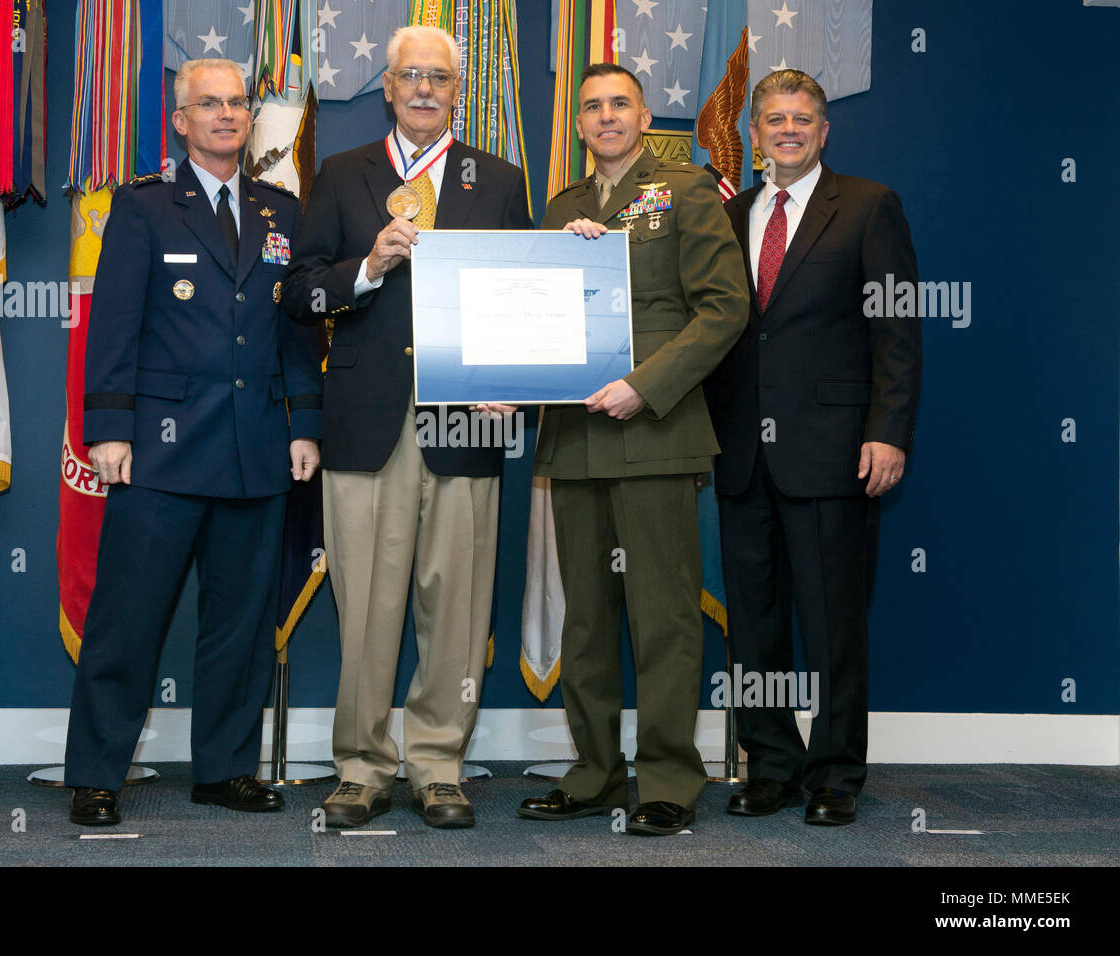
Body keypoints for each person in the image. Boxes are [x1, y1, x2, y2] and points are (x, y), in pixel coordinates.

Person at [281, 25, 530, 829]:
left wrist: (515, 380)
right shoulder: (343, 175)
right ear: (386, 87)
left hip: (467, 425)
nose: (425, 89)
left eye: (441, 78)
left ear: (460, 90)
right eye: (409, 76)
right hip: (365, 426)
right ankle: (360, 765)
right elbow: (299, 294)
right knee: (368, 608)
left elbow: (523, 298)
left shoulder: (498, 179)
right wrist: (367, 270)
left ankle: (438, 764)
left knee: (455, 608)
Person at [63, 58, 323, 826]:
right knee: (127, 619)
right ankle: (99, 774)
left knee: (242, 625)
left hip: (256, 448)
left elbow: (296, 335)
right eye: (207, 103)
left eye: (236, 102)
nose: (226, 114)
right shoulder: (143, 207)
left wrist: (303, 422)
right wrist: (107, 430)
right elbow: (111, 325)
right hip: (161, 450)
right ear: (180, 120)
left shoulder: (282, 212)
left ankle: (225, 769)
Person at [516, 63, 749, 835]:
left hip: (654, 430)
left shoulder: (686, 190)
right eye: (591, 107)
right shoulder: (561, 208)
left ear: (645, 116)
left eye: (620, 103)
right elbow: (535, 319)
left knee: (663, 618)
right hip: (576, 438)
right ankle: (591, 773)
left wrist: (645, 385)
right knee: (585, 619)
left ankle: (669, 784)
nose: (606, 116)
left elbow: (724, 309)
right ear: (578, 124)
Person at [707, 69, 921, 826]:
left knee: (833, 624)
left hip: (834, 451)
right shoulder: (731, 216)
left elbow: (897, 332)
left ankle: (835, 774)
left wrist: (887, 431)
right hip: (740, 453)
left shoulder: (868, 206)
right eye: (773, 119)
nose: (787, 130)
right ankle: (770, 764)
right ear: (754, 134)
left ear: (823, 131)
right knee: (755, 623)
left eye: (801, 119)